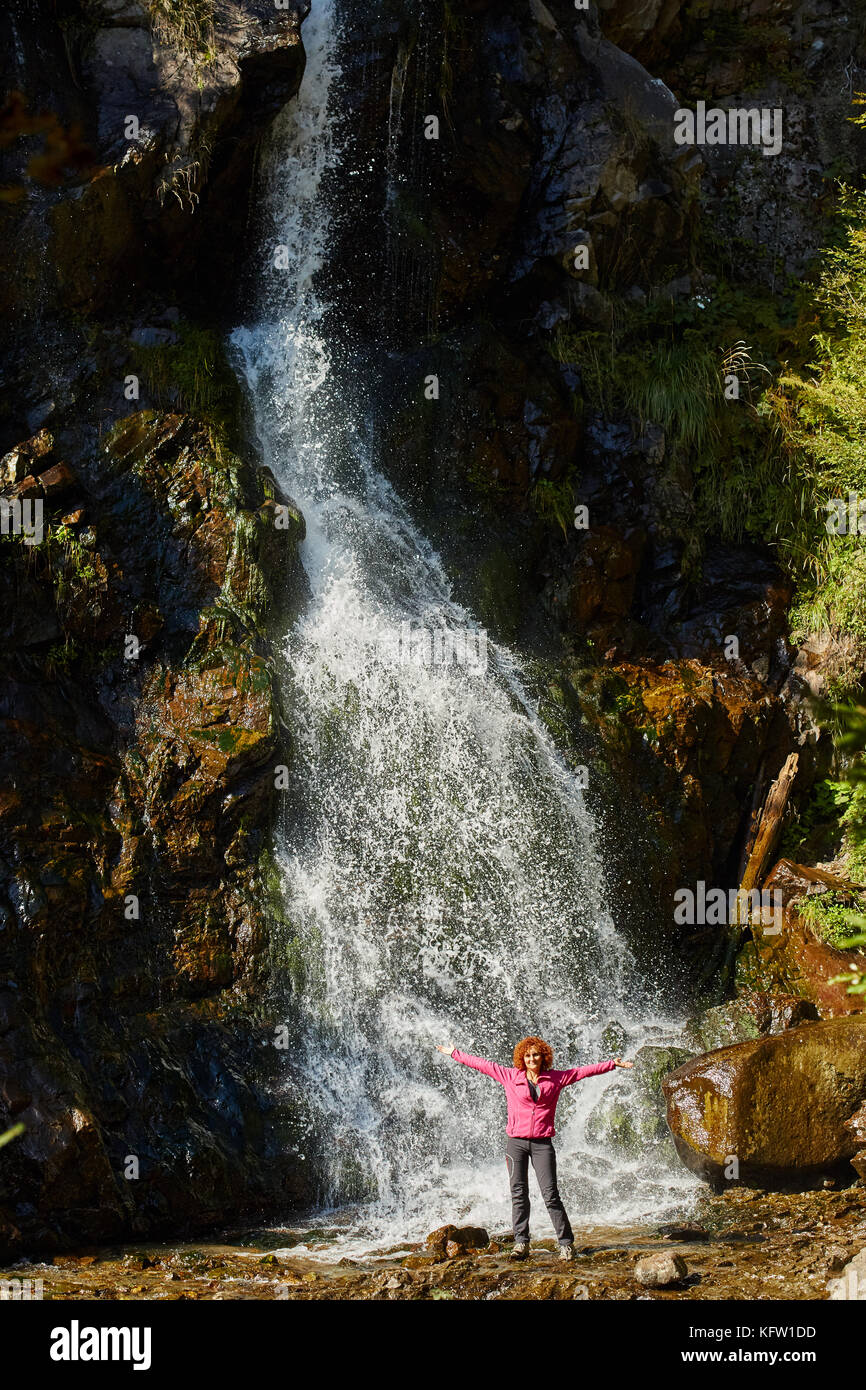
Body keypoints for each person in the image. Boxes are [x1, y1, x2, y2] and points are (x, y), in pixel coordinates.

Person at [436, 1036, 634, 1261]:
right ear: (522, 1057)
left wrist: (611, 1064)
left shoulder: (556, 1078)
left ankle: (566, 1244)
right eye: (528, 1055)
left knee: (551, 1195)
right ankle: (521, 1243)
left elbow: (582, 1072)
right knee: (518, 1194)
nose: (532, 1058)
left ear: (543, 1057)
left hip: (542, 1144)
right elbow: (484, 1065)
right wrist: (455, 1053)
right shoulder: (510, 1076)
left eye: (536, 1055)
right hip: (516, 1144)